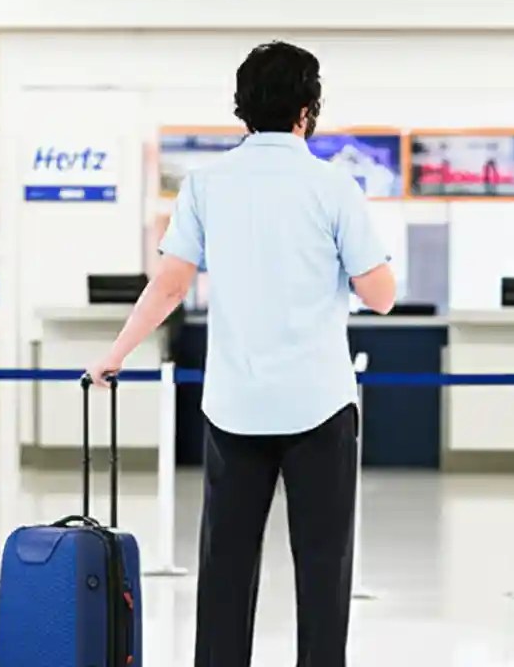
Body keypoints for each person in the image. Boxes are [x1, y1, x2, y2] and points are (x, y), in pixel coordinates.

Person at [87, 41, 396, 667]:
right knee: (323, 569)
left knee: (224, 568)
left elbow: (170, 285)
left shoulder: (205, 184)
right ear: (308, 111)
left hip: (235, 407)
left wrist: (114, 355)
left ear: (242, 110)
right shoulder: (335, 186)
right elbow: (381, 296)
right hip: (320, 406)